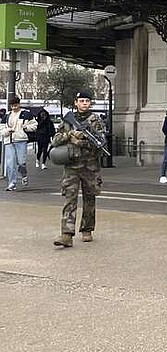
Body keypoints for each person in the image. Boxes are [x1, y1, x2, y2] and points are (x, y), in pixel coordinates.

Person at [52, 91, 106, 247]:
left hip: (90, 167)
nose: (84, 103)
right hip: (71, 166)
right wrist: (69, 134)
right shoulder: (68, 120)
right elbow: (55, 140)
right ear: (76, 102)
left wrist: (81, 141)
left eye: (87, 101)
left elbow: (101, 146)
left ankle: (87, 229)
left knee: (90, 199)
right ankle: (66, 235)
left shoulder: (95, 121)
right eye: (81, 101)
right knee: (70, 199)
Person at [1, 95, 37, 191]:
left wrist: (26, 128)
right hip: (9, 141)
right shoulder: (7, 115)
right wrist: (7, 131)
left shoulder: (26, 114)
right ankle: (11, 184)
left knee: (21, 162)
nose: (14, 107)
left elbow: (34, 124)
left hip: (21, 140)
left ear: (19, 104)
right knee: (10, 163)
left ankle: (24, 175)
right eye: (12, 106)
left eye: (16, 105)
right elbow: (2, 128)